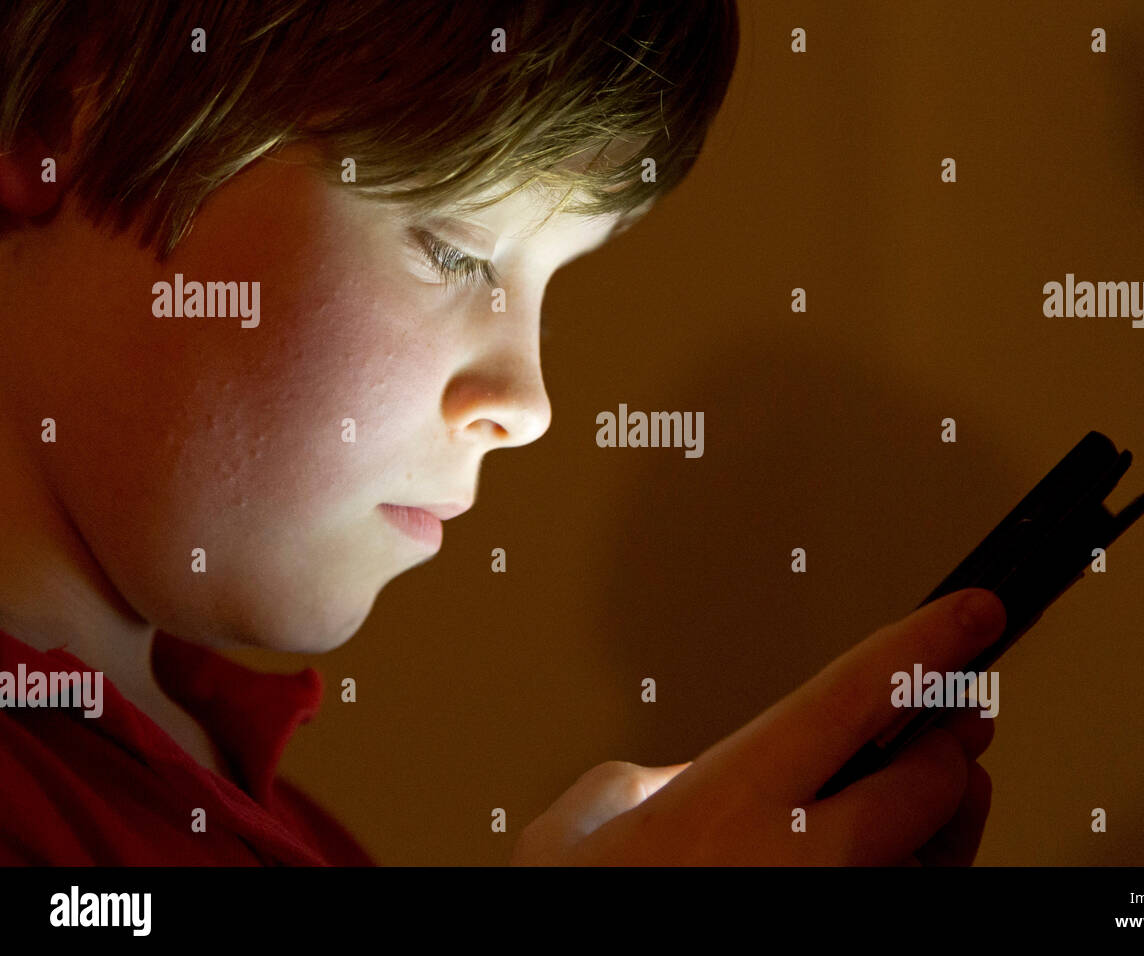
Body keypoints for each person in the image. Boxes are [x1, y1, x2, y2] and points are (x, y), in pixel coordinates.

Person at [0, 0, 1002, 865]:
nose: (528, 405)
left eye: (546, 296)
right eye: (455, 251)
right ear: (61, 120)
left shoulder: (297, 829)